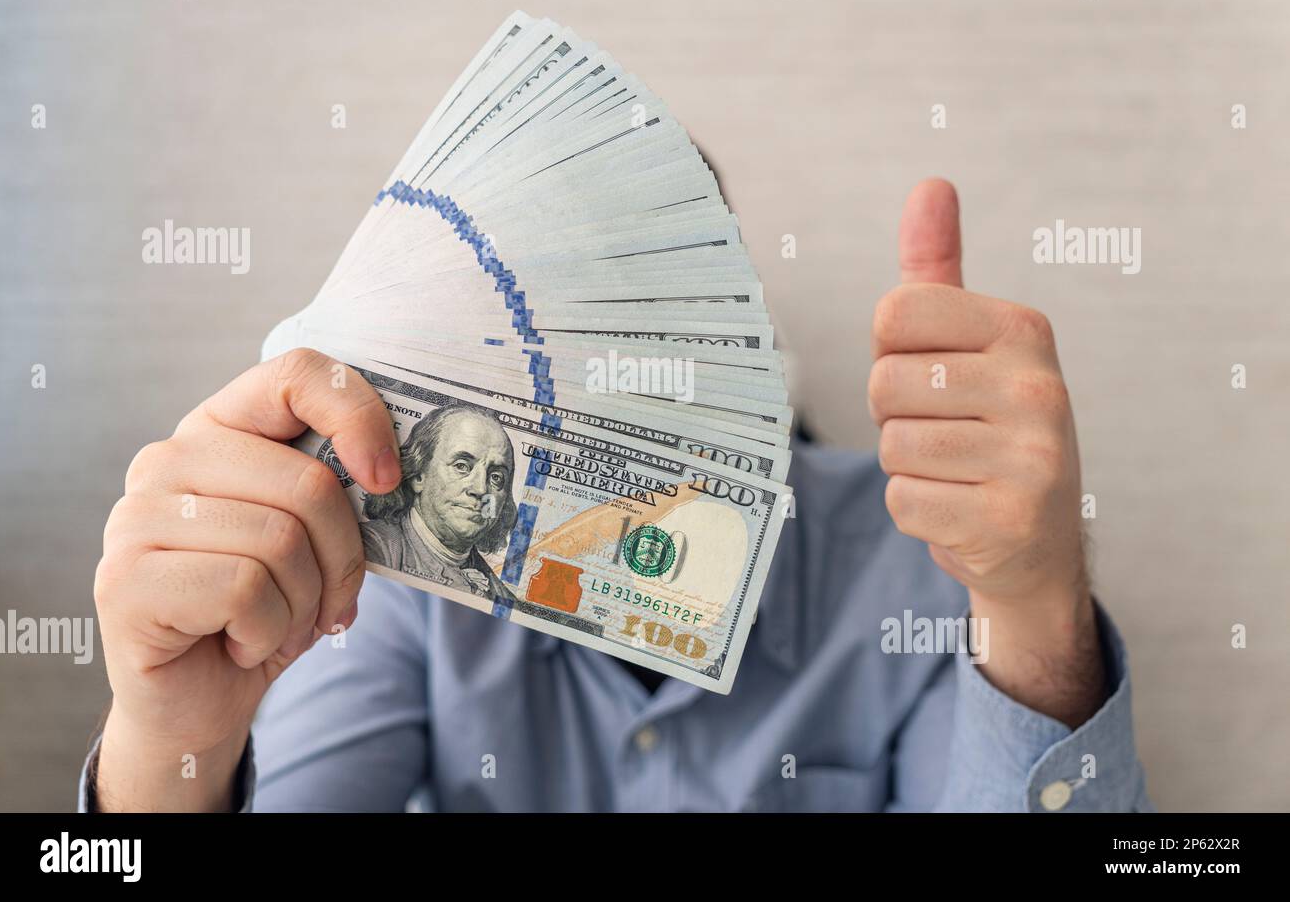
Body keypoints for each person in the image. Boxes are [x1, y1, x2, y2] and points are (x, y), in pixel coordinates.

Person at [82, 180, 1151, 812]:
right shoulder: (405, 569)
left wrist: (1029, 604)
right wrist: (168, 748)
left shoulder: (916, 544)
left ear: (745, 352)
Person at [357, 405, 518, 604]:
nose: (480, 489)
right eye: (462, 466)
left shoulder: (504, 600)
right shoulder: (368, 549)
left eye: (496, 477)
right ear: (418, 475)